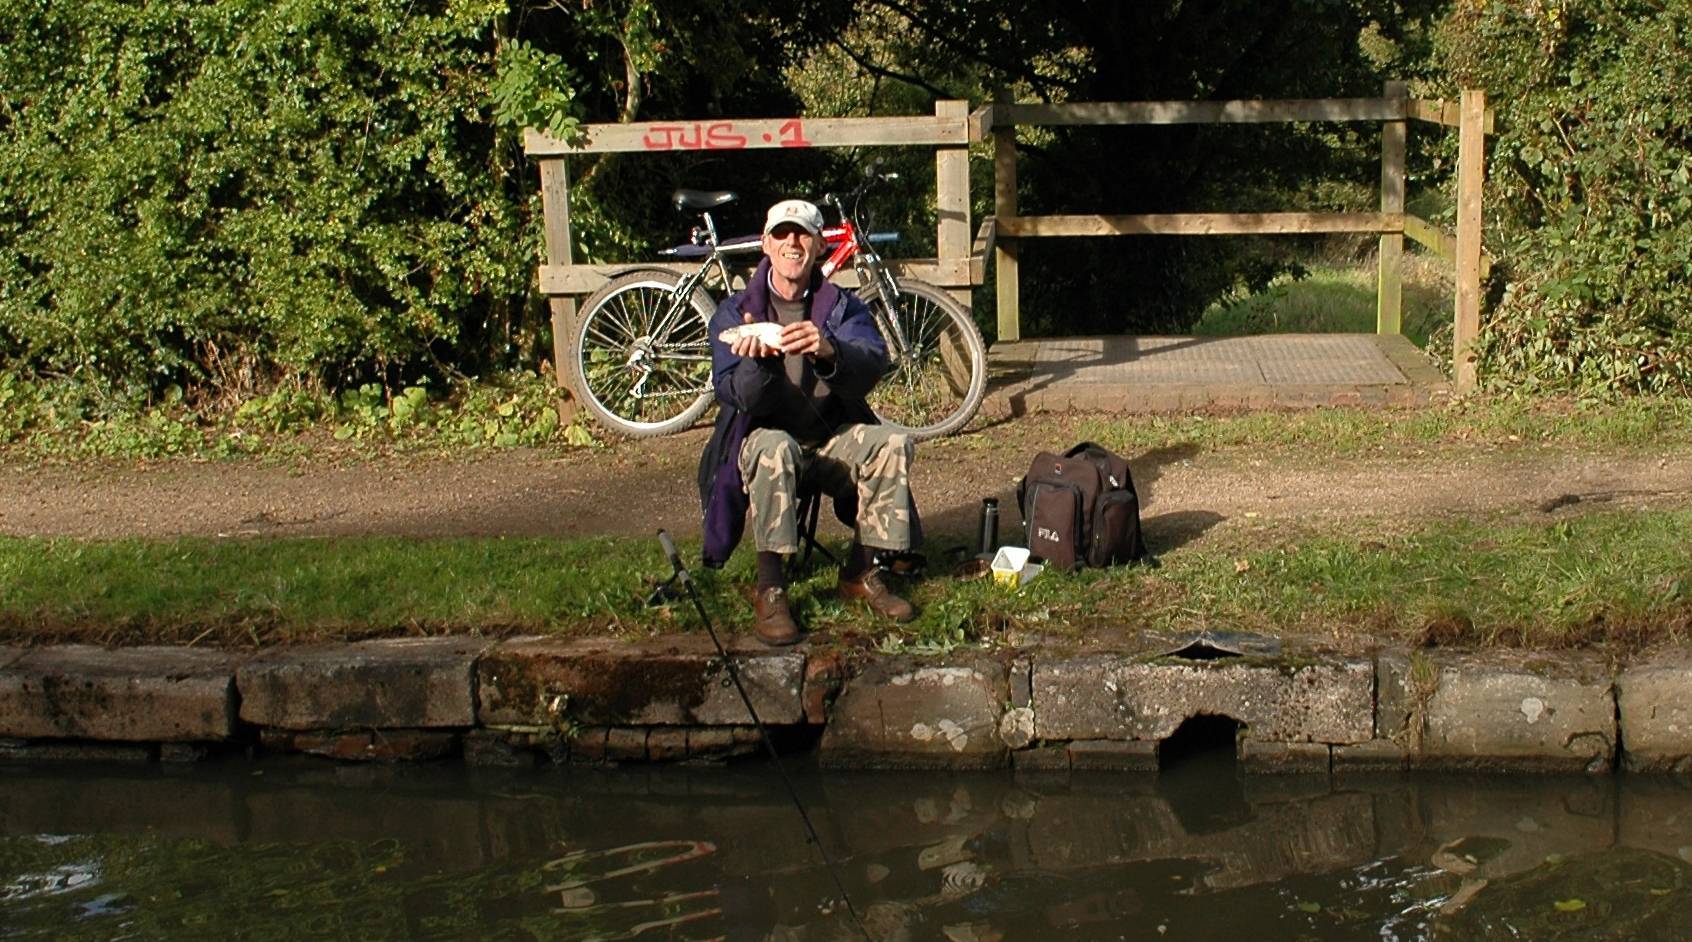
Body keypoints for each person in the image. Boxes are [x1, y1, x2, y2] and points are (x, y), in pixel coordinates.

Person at [696, 198, 919, 646]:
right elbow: (733, 393)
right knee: (773, 446)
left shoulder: (842, 307)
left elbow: (874, 361)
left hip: (830, 440)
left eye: (802, 234)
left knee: (892, 440)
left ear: (818, 246)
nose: (791, 242)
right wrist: (757, 364)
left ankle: (861, 572)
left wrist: (829, 349)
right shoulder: (734, 314)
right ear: (766, 244)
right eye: (782, 233)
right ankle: (771, 586)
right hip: (762, 443)